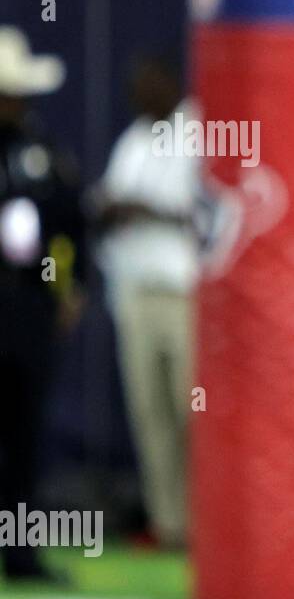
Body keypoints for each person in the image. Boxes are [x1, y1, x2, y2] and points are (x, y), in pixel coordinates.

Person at [90, 54, 199, 550]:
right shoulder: (132, 141)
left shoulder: (201, 128)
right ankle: (170, 523)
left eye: (150, 82)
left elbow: (206, 210)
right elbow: (107, 205)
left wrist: (143, 208)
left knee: (192, 409)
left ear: (170, 82)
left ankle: (210, 520)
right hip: (135, 292)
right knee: (149, 413)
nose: (141, 93)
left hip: (185, 293)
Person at [0, 25, 84, 581]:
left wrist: (68, 285)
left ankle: (22, 554)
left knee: (24, 433)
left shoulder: (41, 152)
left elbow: (70, 224)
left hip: (26, 306)